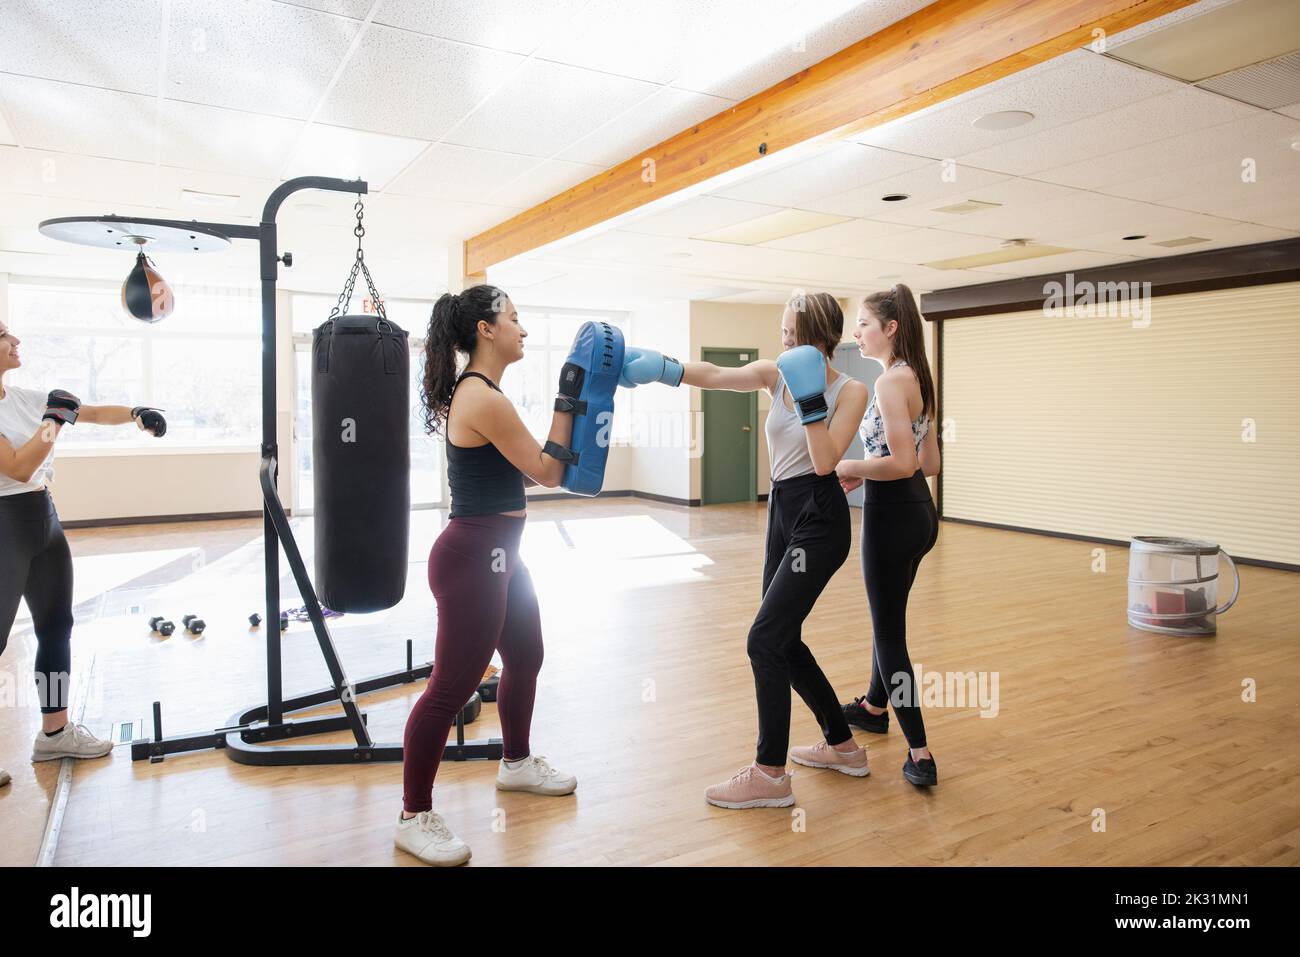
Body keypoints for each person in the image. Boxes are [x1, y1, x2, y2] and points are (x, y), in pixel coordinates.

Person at [622, 291, 871, 809]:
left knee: (764, 638)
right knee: (782, 638)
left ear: (815, 335)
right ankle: (843, 746)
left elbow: (825, 462)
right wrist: (660, 369)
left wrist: (809, 400)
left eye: (788, 334)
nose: (780, 341)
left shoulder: (853, 391)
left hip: (819, 518)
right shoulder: (774, 374)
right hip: (781, 511)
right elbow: (712, 374)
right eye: (781, 333)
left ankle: (770, 772)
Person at [397, 284, 580, 866]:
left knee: (526, 654)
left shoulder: (484, 393)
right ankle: (412, 814)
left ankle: (516, 763)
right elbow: (549, 471)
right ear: (485, 329)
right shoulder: (482, 396)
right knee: (449, 690)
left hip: (503, 554)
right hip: (475, 557)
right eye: (515, 319)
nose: (522, 330)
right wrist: (571, 398)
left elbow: (520, 474)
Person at [0, 317, 168, 789]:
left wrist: (135, 412)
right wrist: (54, 420)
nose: (16, 339)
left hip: (42, 519)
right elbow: (17, 467)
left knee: (56, 627)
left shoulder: (20, 398)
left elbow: (89, 412)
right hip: (4, 524)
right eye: (4, 336)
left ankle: (55, 733)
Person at [834, 285, 942, 787]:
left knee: (888, 634)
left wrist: (847, 465)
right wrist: (871, 470)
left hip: (891, 516)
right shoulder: (916, 377)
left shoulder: (886, 384)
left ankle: (920, 754)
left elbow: (900, 463)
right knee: (889, 616)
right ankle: (876, 706)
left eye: (863, 323)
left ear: (890, 328)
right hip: (920, 514)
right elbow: (929, 463)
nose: (855, 331)